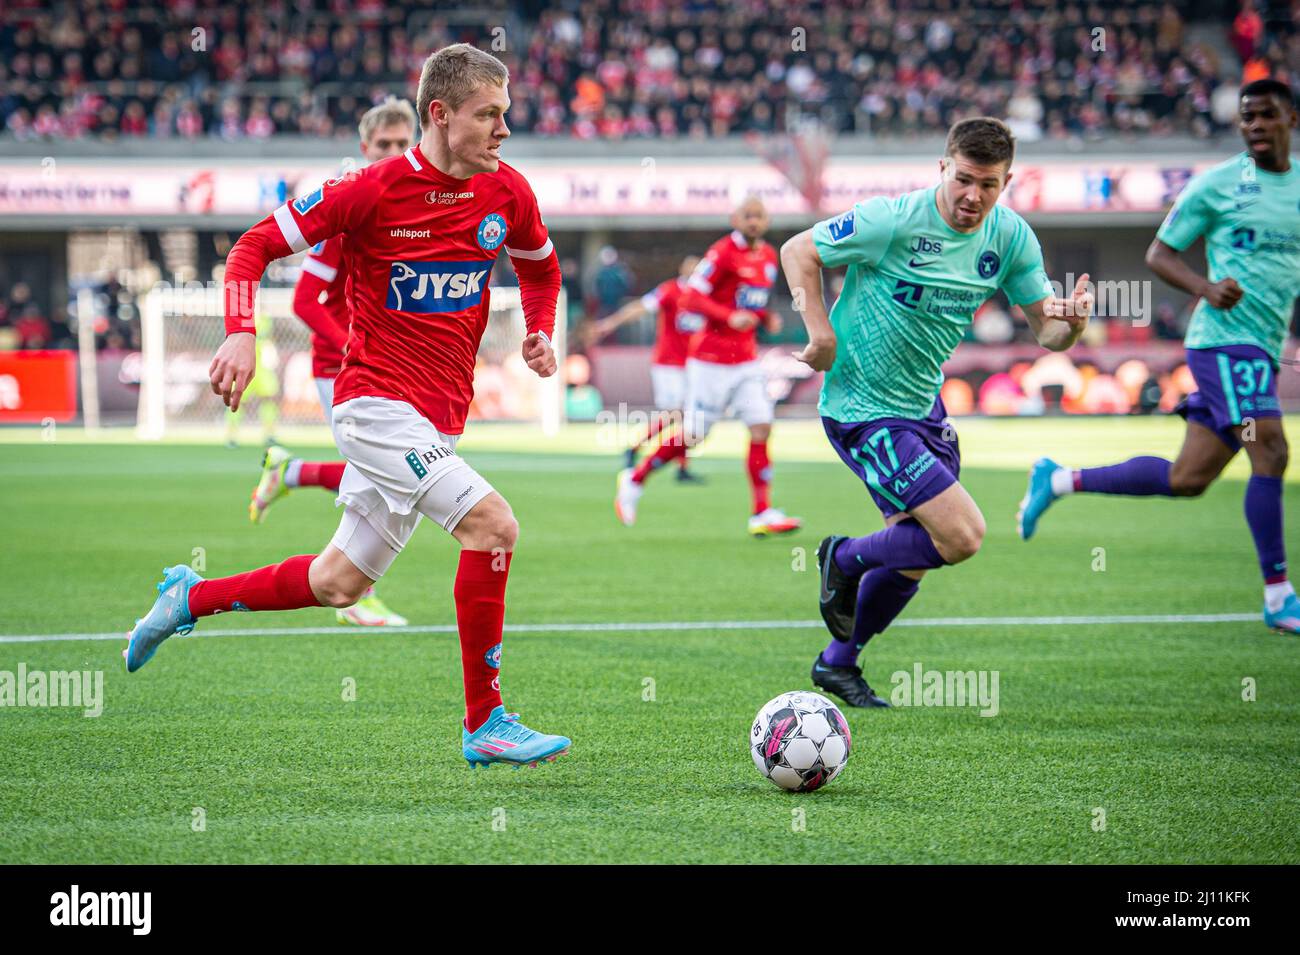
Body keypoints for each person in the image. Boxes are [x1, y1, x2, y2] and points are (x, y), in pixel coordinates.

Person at [125, 44, 572, 768]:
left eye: (506, 115)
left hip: (438, 418)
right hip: (373, 406)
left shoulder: (508, 191)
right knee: (492, 525)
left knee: (340, 582)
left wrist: (540, 328)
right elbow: (252, 247)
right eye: (489, 115)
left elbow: (542, 267)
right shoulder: (368, 189)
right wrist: (241, 333)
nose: (504, 130)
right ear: (441, 113)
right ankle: (485, 720)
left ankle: (188, 598)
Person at [781, 117, 1092, 707]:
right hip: (862, 409)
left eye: (990, 185)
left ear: (1006, 182)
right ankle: (841, 557)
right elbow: (798, 251)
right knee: (963, 535)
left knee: (915, 555)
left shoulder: (1011, 238)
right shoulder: (891, 220)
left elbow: (1046, 331)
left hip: (924, 410)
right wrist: (818, 330)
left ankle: (837, 663)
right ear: (943, 168)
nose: (974, 196)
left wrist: (1071, 327)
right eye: (965, 179)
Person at [1019, 79, 1300, 634]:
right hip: (1223, 342)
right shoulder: (1218, 185)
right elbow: (1158, 254)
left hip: (1263, 347)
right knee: (1269, 451)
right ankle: (1279, 596)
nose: (1256, 127)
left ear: (1291, 118)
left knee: (1188, 477)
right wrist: (1204, 287)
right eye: (1247, 118)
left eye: (1267, 116)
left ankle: (1058, 480)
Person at [248, 97, 417, 628]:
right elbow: (304, 300)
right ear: (363, 149)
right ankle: (355, 593)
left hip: (387, 366)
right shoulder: (349, 211)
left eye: (401, 143)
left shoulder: (413, 206)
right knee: (386, 477)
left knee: (390, 473)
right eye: (382, 145)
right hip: (342, 366)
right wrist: (353, 344)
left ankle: (289, 471)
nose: (392, 151)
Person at [615, 197, 803, 537]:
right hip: (710, 362)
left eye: (760, 216)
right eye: (748, 216)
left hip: (746, 359)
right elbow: (692, 298)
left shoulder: (768, 257)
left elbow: (751, 301)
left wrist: (766, 318)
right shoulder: (720, 253)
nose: (755, 222)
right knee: (694, 435)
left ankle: (761, 512)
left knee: (761, 426)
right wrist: (729, 316)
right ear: (735, 218)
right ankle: (636, 477)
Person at [584, 254, 703, 480]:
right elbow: (639, 307)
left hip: (693, 364)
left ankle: (679, 466)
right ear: (683, 270)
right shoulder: (670, 291)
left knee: (689, 416)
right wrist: (610, 323)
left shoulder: (705, 295)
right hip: (668, 364)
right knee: (677, 413)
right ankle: (637, 448)